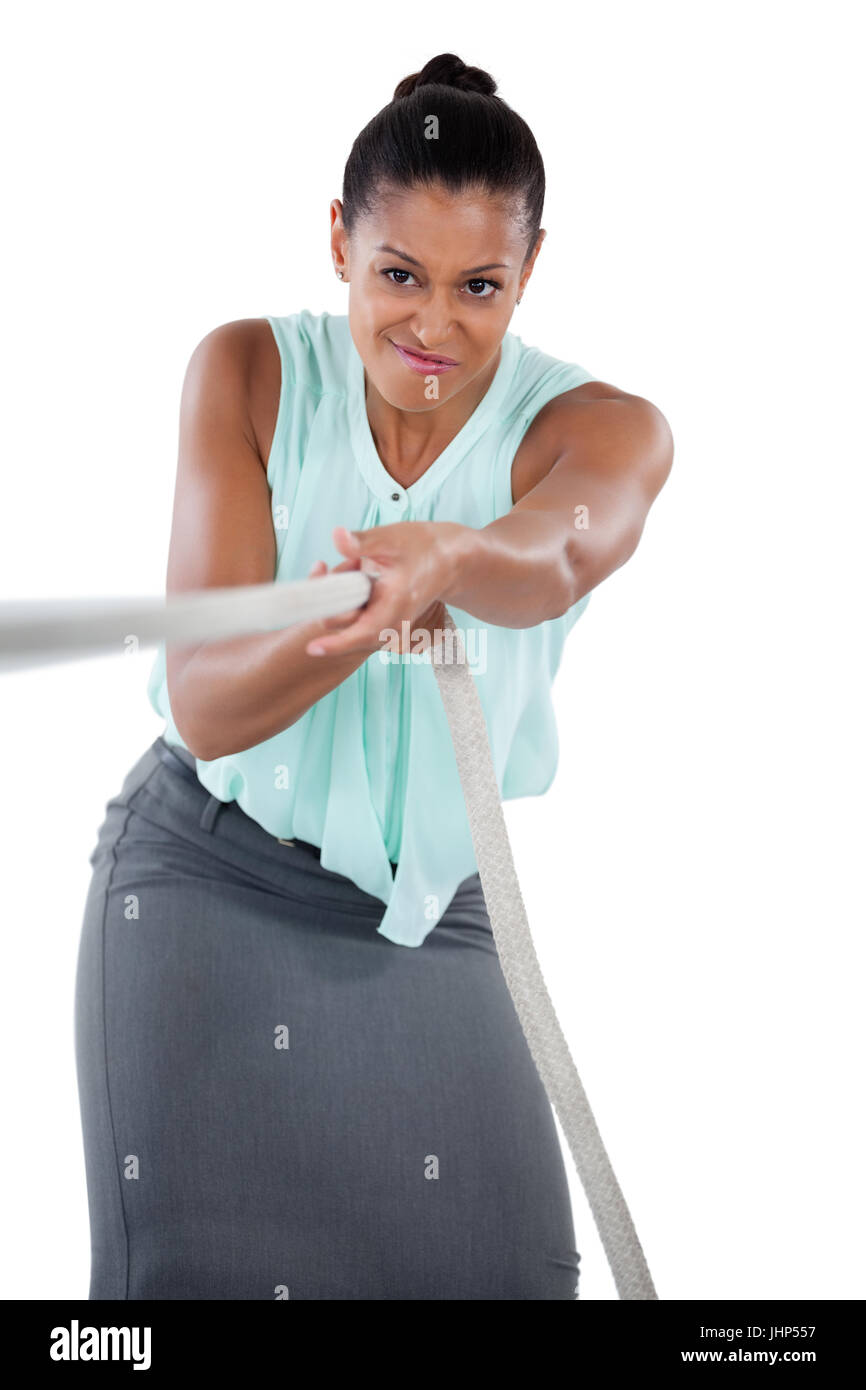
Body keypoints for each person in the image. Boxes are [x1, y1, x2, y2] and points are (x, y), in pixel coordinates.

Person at [74, 51, 673, 1301]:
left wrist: (448, 555)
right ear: (338, 238)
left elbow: (563, 550)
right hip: (203, 881)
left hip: (430, 914)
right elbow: (206, 697)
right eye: (397, 275)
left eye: (478, 287)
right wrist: (342, 622)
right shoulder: (244, 372)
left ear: (531, 271)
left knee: (506, 1271)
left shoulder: (600, 424)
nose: (433, 326)